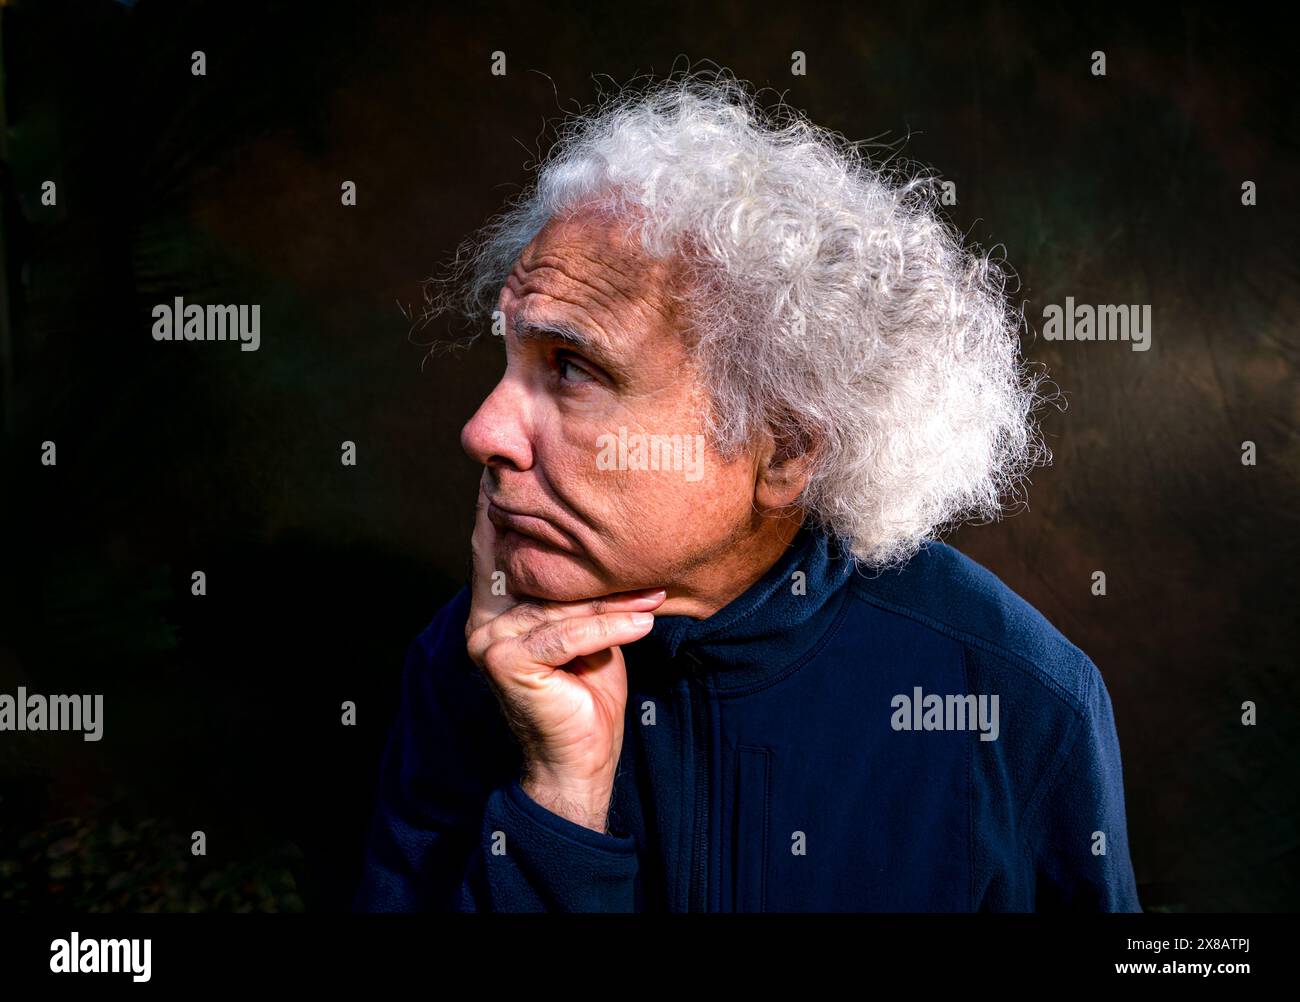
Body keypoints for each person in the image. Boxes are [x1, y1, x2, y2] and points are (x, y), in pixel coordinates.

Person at [353, 71, 1141, 912]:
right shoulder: (473, 660)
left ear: (783, 451)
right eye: (511, 359)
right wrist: (559, 803)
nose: (484, 431)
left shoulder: (1014, 696)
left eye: (574, 369)